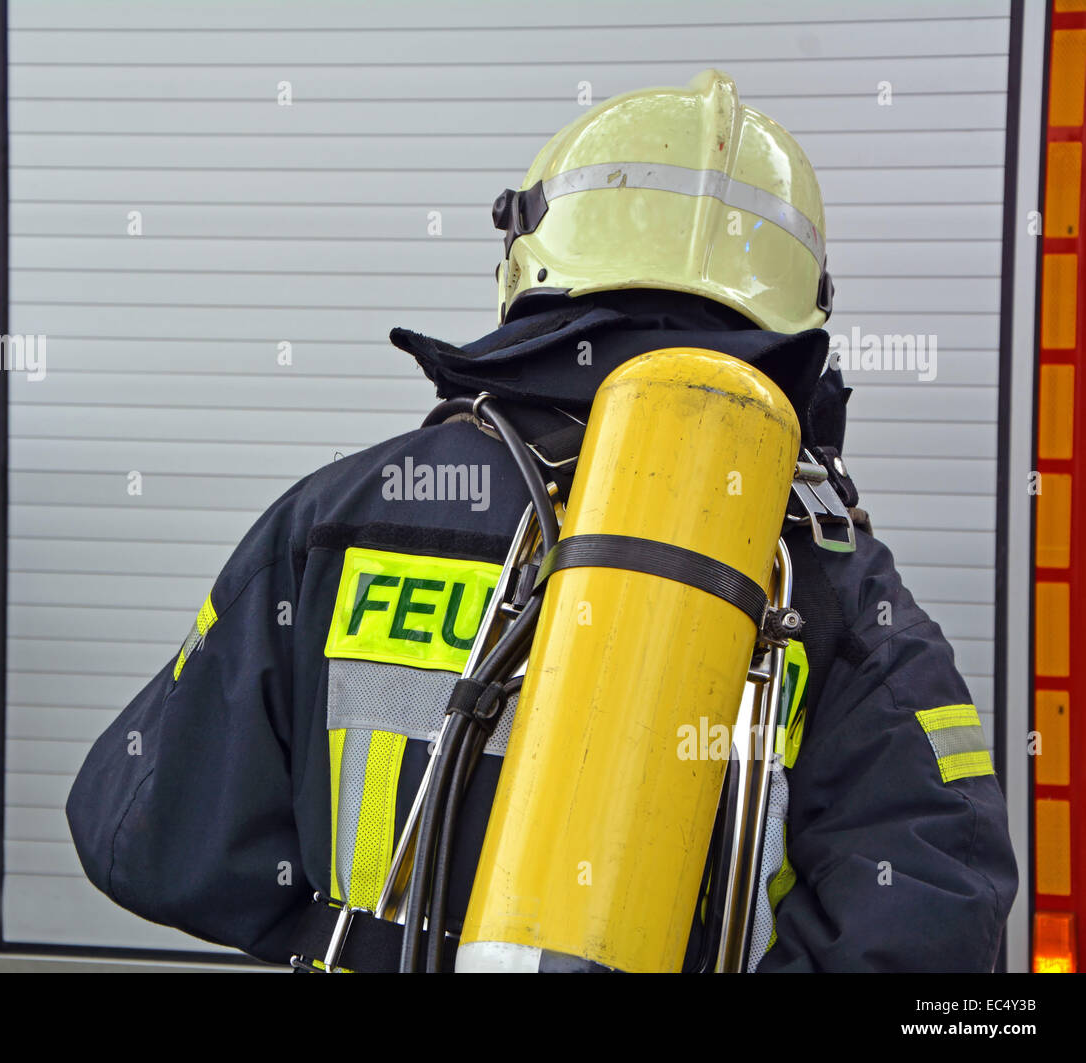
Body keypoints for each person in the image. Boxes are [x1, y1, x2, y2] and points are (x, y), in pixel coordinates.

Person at [66, 70, 1018, 972]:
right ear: (799, 303)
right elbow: (938, 896)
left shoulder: (346, 514)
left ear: (530, 257)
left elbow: (149, 836)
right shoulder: (827, 569)